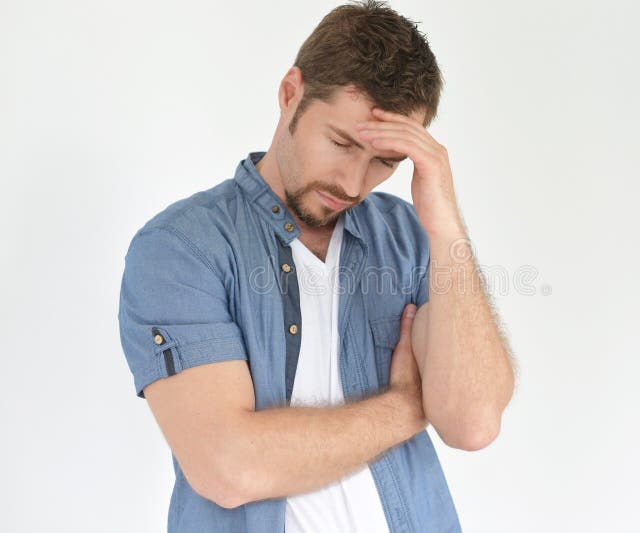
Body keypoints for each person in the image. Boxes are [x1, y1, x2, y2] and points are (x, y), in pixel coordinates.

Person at [117, 1, 516, 531]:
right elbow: (229, 468)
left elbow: (472, 423)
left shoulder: (410, 236)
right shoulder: (182, 248)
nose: (353, 184)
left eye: (384, 162)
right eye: (341, 143)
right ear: (290, 94)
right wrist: (404, 406)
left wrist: (445, 226)